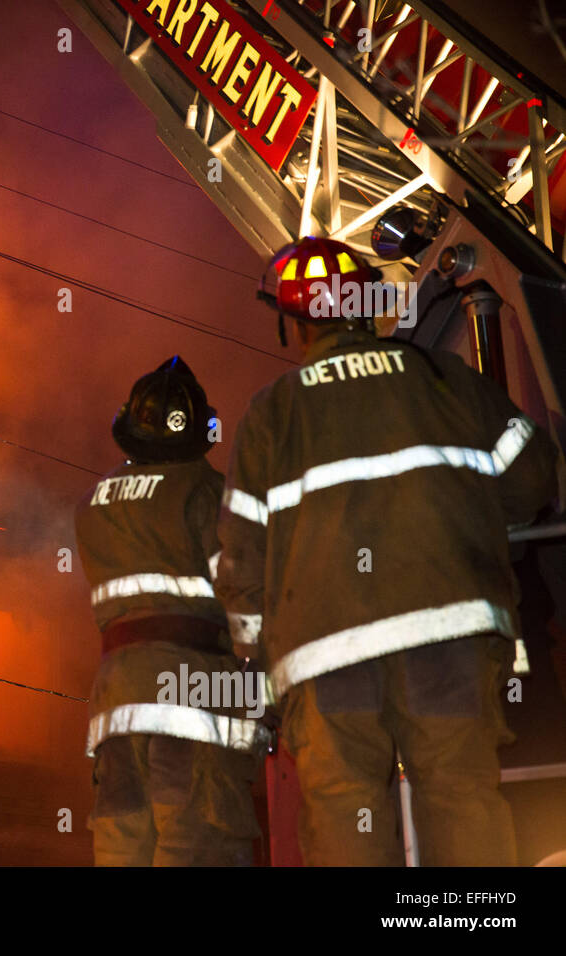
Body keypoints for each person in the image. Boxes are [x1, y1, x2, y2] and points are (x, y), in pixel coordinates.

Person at [216, 235, 561, 865]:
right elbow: (533, 477)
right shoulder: (443, 377)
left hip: (329, 661)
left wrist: (256, 662)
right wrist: (475, 517)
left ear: (294, 326)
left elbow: (241, 564)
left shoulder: (271, 416)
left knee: (347, 809)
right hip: (450, 640)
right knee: (461, 798)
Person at [76, 356, 264, 866]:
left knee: (123, 848)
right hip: (194, 688)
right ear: (201, 430)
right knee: (198, 842)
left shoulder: (95, 502)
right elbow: (249, 593)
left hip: (116, 701)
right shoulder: (207, 494)